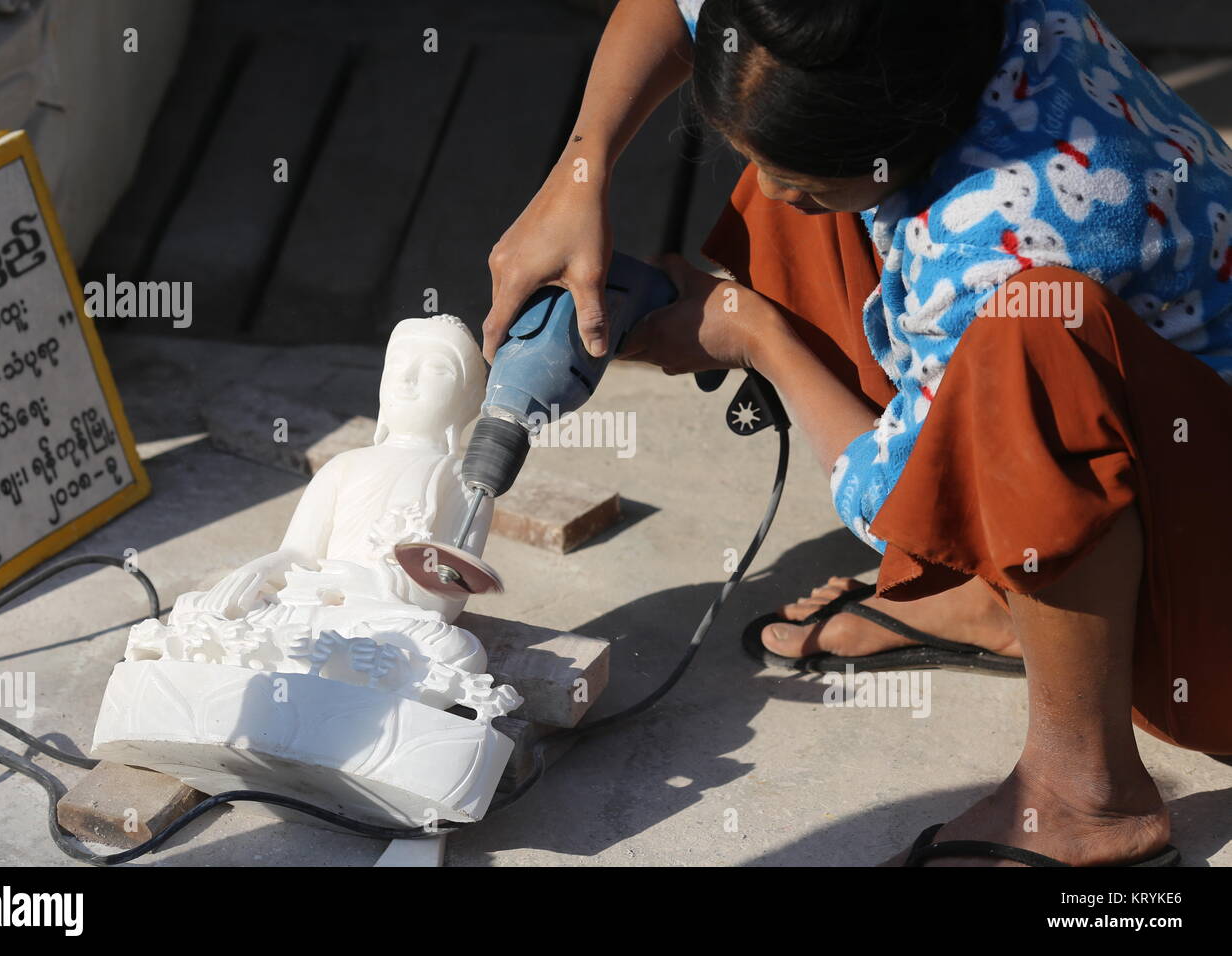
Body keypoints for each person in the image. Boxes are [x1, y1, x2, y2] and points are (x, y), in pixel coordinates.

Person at [483, 0, 1232, 867]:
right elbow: (687, 10)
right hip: (1166, 441)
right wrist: (579, 173)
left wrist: (753, 332)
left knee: (1035, 342)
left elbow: (905, 500)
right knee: (800, 169)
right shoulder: (926, 28)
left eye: (798, 174)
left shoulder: (1014, 247)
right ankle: (1003, 603)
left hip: (1206, 614)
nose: (765, 185)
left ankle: (1087, 796)